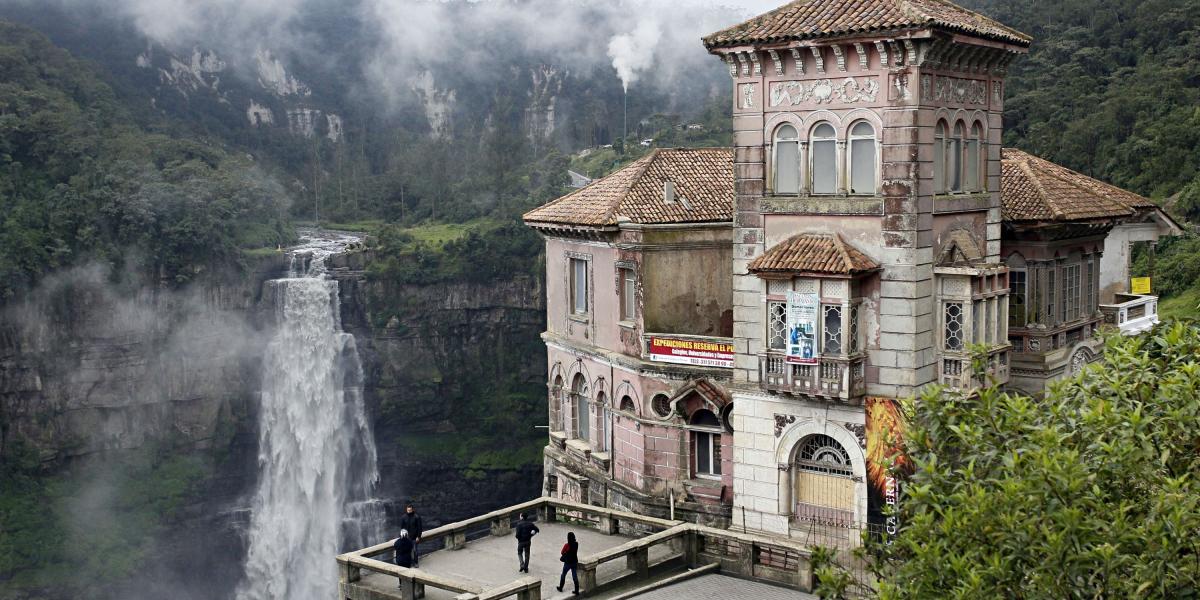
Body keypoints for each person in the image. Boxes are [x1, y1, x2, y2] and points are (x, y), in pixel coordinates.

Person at [397, 503, 423, 567]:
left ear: (412, 510)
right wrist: (401, 536)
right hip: (407, 538)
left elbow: (420, 528)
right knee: (408, 551)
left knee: (415, 550)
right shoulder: (404, 517)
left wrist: (418, 536)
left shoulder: (417, 517)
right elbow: (402, 528)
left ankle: (416, 562)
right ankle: (410, 562)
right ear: (406, 510)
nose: (409, 511)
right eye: (408, 510)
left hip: (414, 537)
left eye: (410, 510)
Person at [556, 531, 579, 595]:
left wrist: (566, 553)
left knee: (563, 574)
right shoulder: (576, 544)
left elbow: (562, 552)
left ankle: (560, 587)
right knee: (574, 576)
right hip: (574, 562)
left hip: (568, 563)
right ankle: (577, 590)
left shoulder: (567, 545)